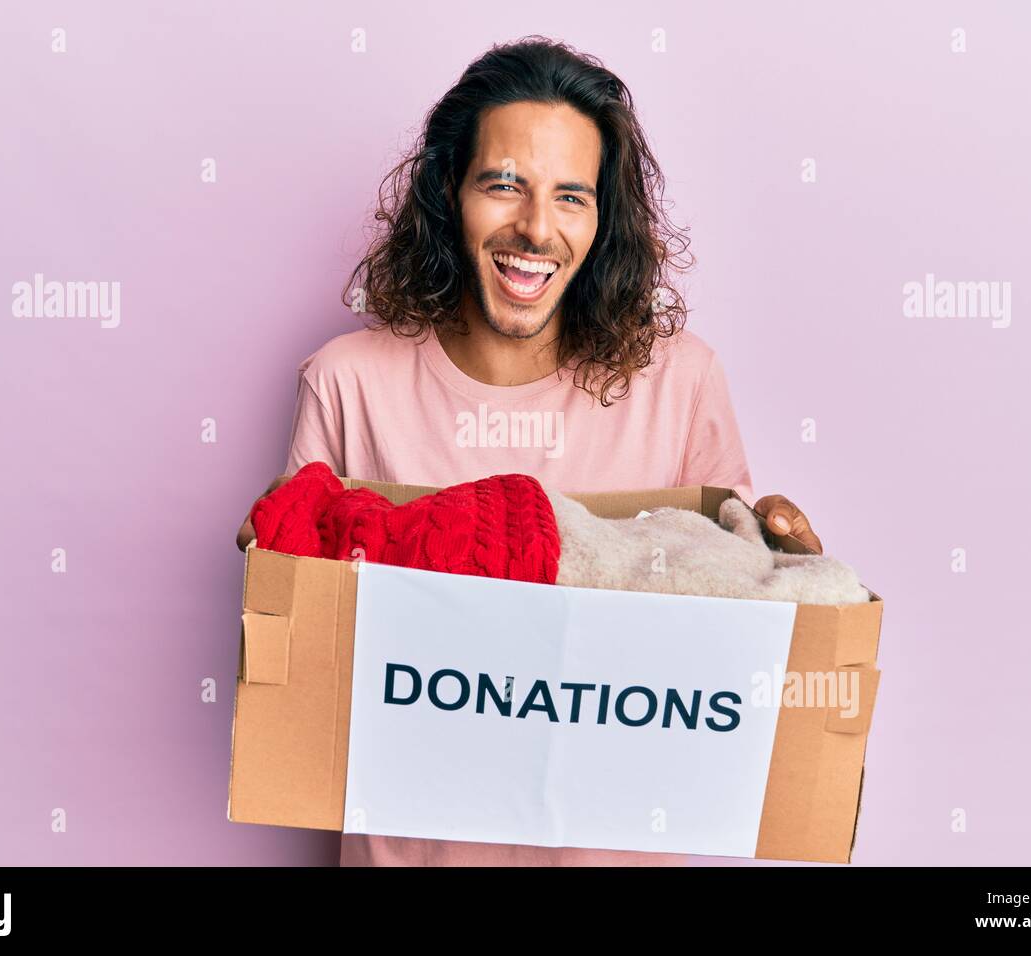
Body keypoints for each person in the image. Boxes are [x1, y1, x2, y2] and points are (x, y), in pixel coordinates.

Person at [236, 36, 822, 867]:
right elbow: (301, 679)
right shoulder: (347, 384)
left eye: (571, 197)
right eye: (503, 184)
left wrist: (795, 581)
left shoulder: (681, 382)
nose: (535, 229)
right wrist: (274, 574)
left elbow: (726, 653)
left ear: (602, 219)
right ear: (450, 190)